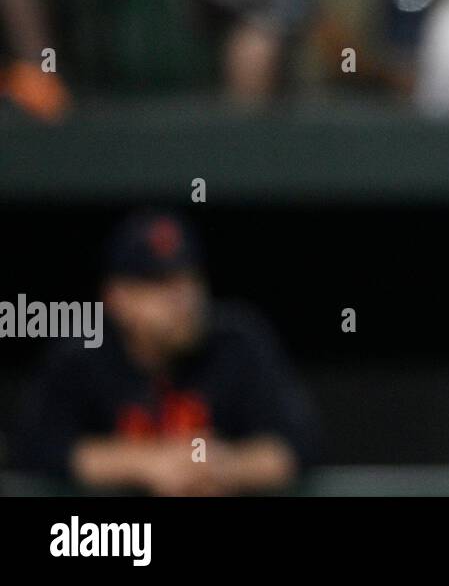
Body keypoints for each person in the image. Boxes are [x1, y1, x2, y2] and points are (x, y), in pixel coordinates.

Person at [13, 211, 320, 495]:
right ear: (116, 297)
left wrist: (226, 466)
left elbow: (301, 444)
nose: (183, 297)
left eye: (189, 278)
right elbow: (32, 448)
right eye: (160, 283)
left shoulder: (237, 343)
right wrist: (143, 464)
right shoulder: (82, 356)